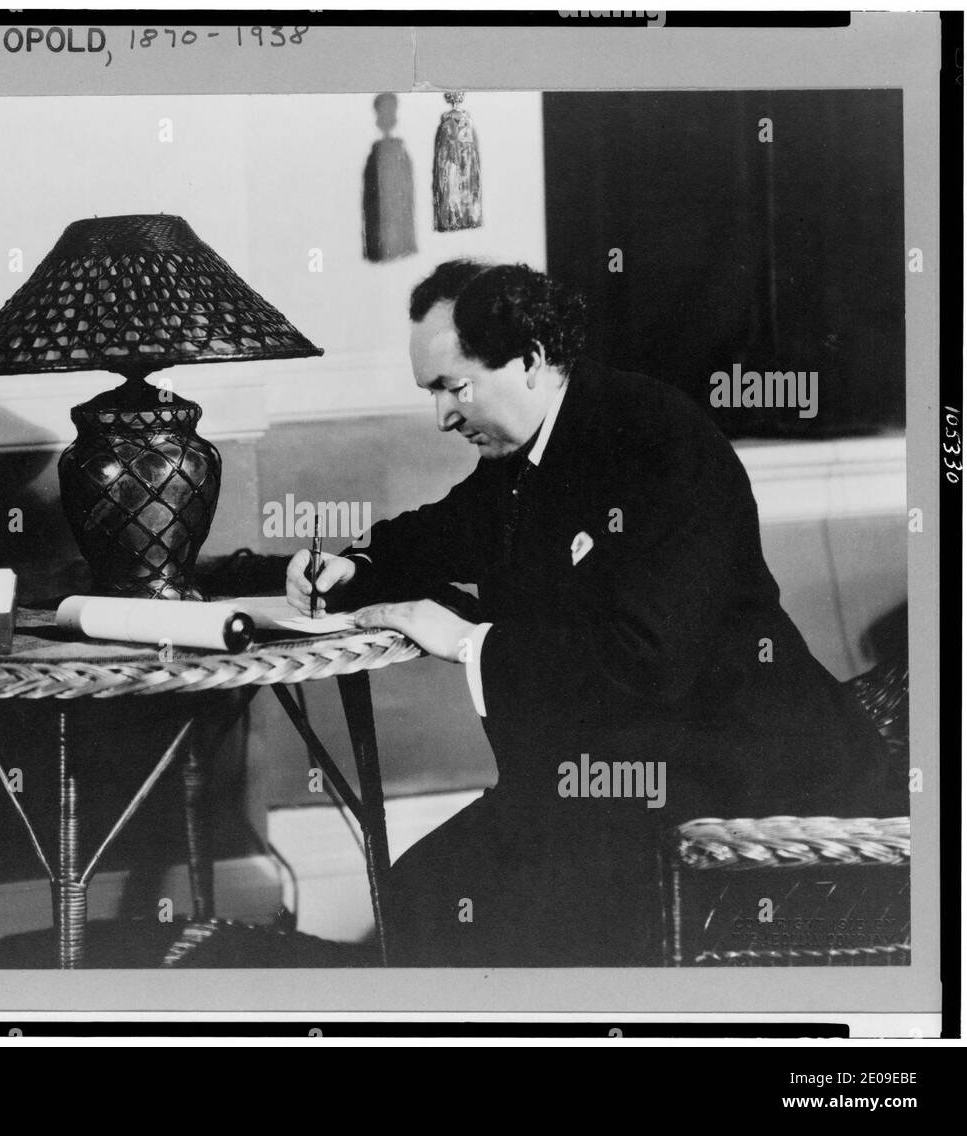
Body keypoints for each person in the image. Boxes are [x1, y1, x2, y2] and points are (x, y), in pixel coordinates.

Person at [285, 259, 897, 967]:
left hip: (742, 772)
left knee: (475, 915)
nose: (443, 415)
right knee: (420, 896)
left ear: (532, 359)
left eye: (454, 387)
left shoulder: (658, 440)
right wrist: (351, 567)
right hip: (617, 775)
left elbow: (647, 659)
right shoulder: (527, 449)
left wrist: (467, 642)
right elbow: (442, 532)